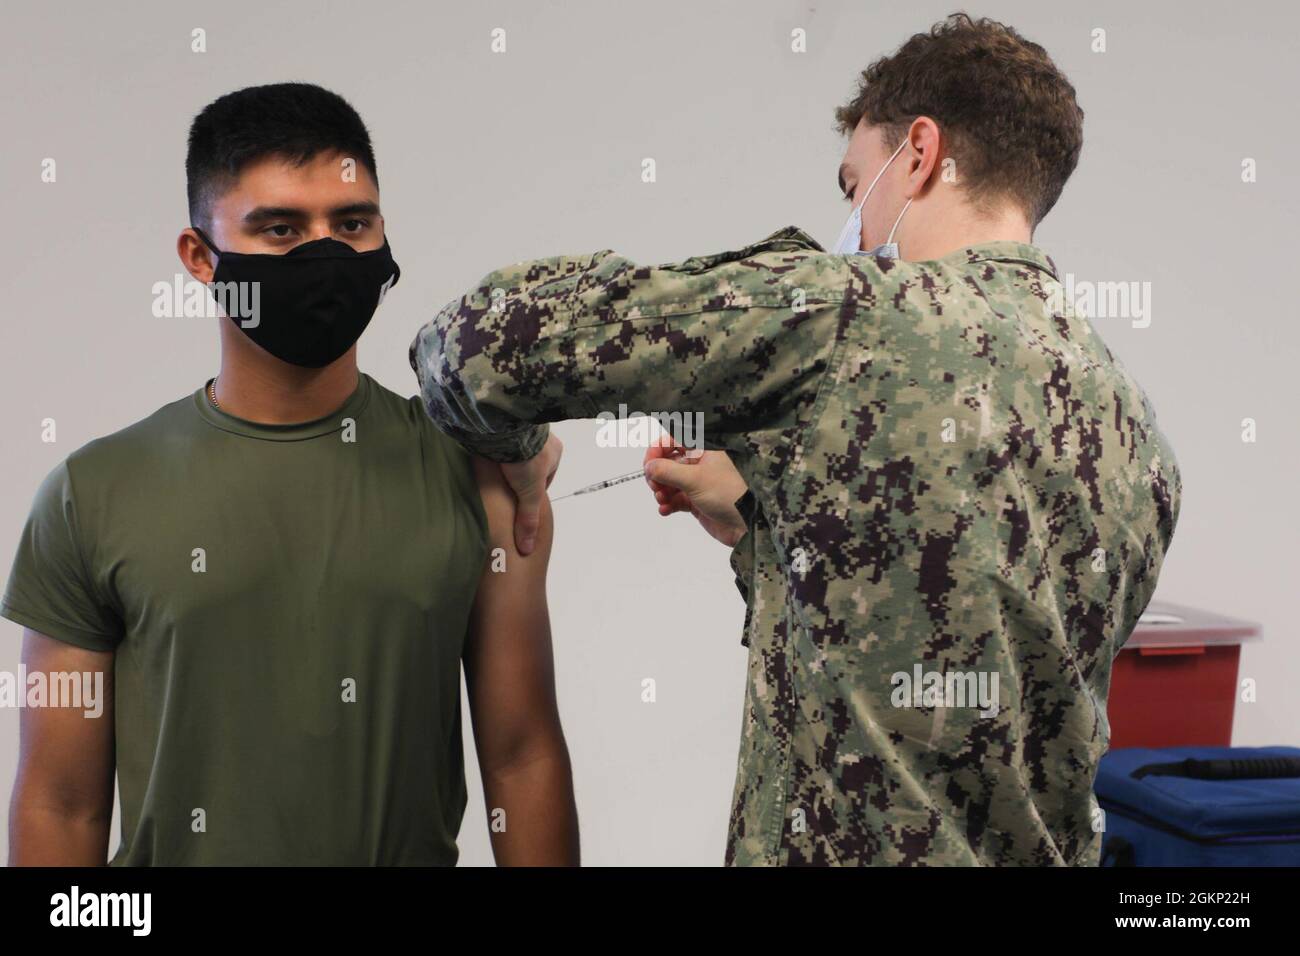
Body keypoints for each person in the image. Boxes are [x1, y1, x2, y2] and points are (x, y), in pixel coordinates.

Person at [409, 15, 1181, 865]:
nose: (850, 215)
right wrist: (752, 515)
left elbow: (474, 346)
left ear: (919, 154)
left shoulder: (846, 315)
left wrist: (520, 456)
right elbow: (939, 629)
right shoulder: (1134, 431)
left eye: (855, 184)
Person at [3, 83, 578, 866]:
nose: (325, 255)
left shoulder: (479, 472)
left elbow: (523, 755)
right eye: (279, 229)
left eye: (351, 224)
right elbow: (58, 805)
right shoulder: (88, 494)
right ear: (201, 258)